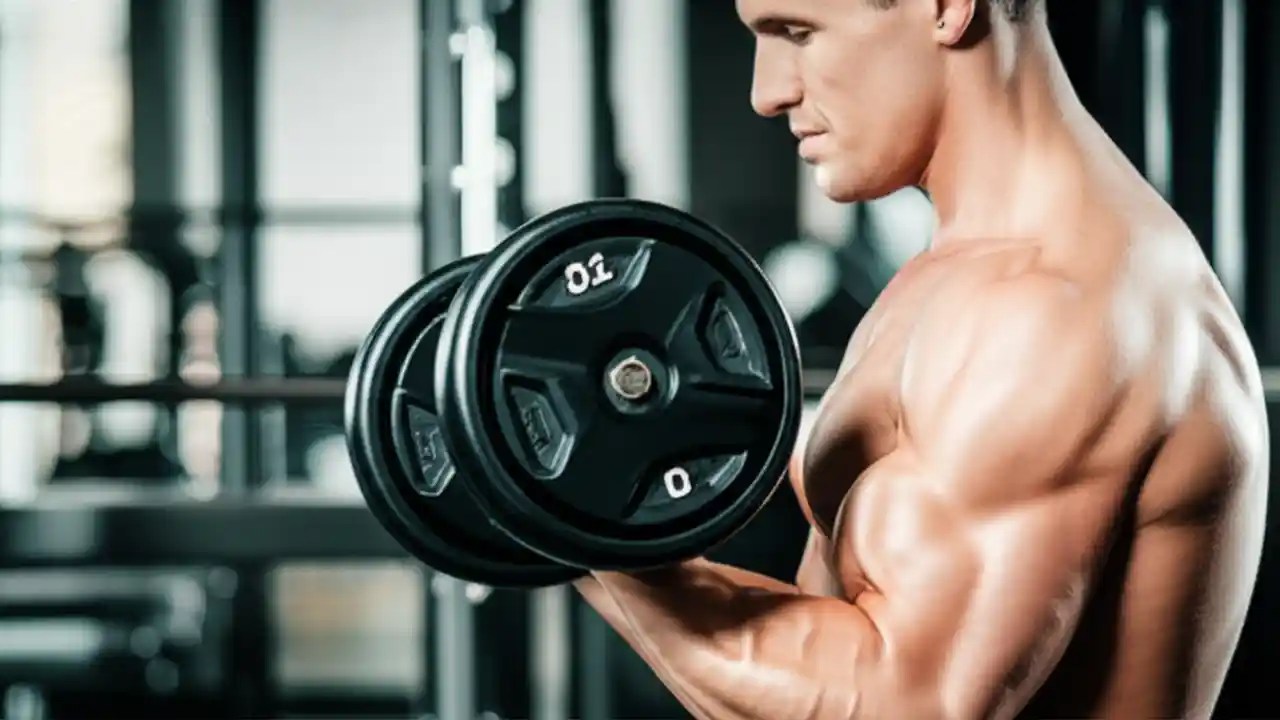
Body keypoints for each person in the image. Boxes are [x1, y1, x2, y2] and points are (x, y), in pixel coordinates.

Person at [573, 0, 1270, 718]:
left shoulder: (1055, 311)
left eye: (797, 32)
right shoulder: (960, 274)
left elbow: (904, 703)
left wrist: (562, 512)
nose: (767, 91)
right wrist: (575, 518)